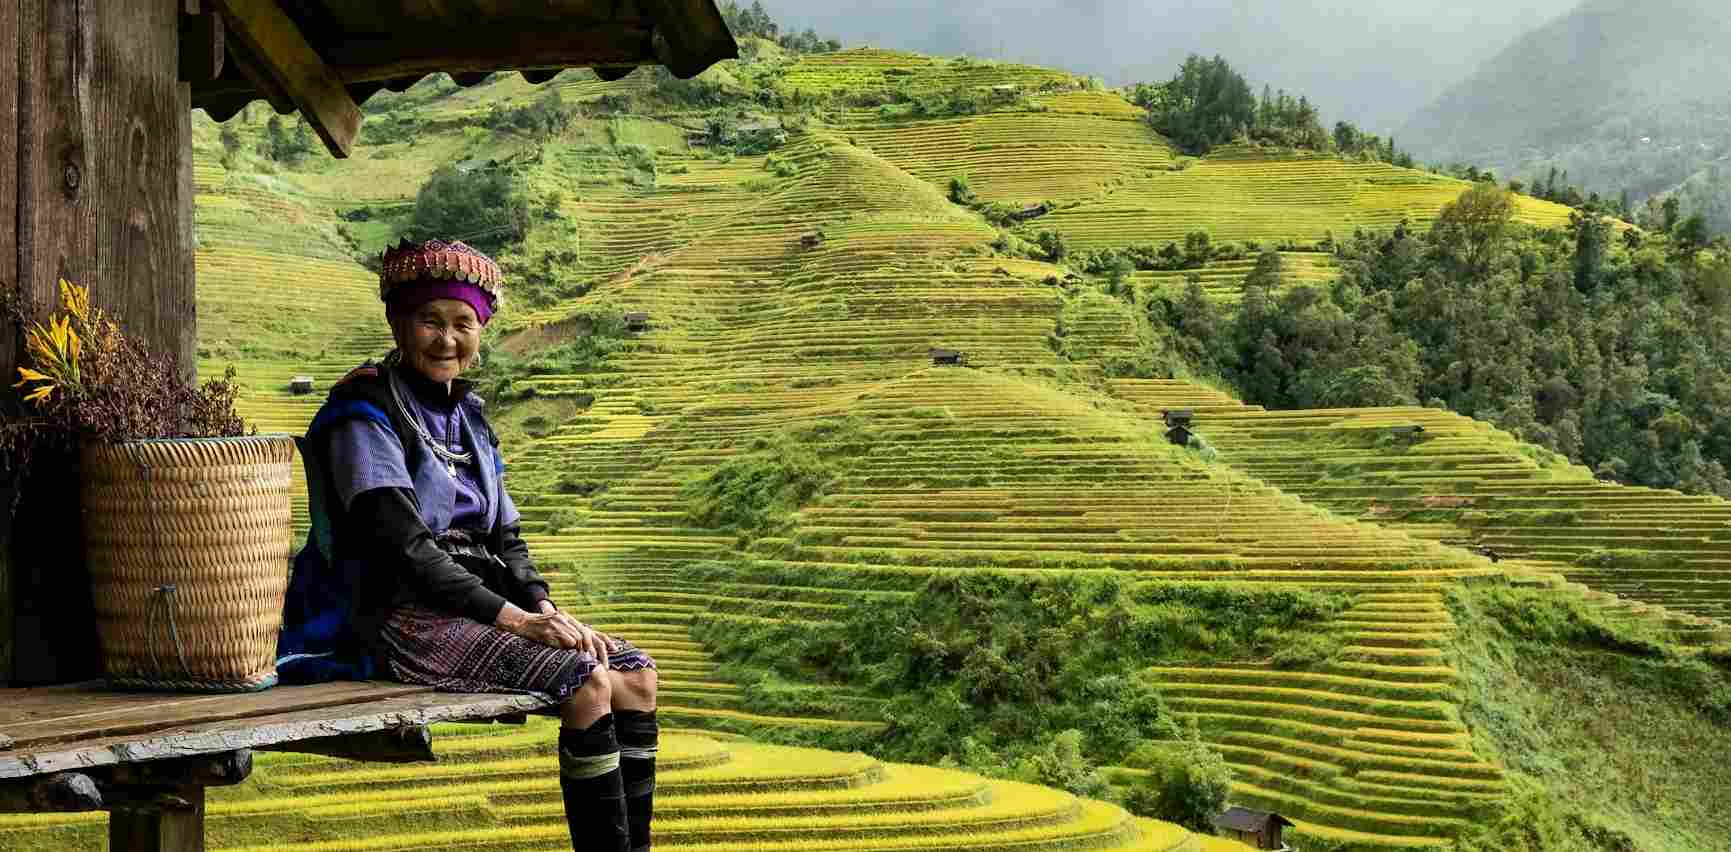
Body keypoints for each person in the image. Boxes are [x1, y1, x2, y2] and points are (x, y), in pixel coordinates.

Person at [275, 238, 658, 852]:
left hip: (479, 599)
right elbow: (402, 547)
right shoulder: (363, 413)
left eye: (464, 324)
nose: (446, 339)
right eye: (431, 320)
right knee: (586, 679)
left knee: (635, 674)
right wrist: (517, 620)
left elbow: (507, 534)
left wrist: (544, 607)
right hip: (397, 609)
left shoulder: (470, 416)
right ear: (399, 323)